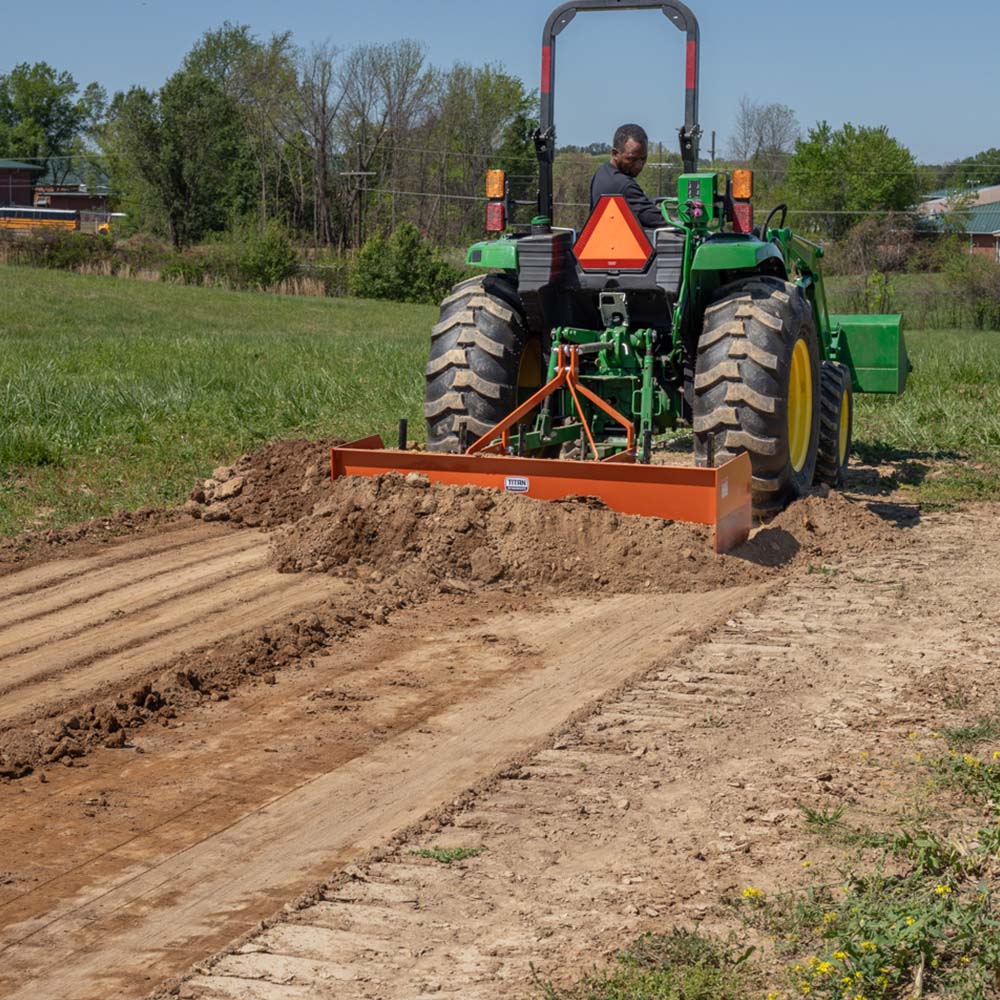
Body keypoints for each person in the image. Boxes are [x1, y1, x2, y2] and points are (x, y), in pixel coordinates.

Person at [590, 123, 664, 229]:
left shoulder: (602, 172)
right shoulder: (623, 185)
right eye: (632, 159)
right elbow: (656, 220)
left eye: (643, 159)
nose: (639, 165)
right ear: (615, 154)